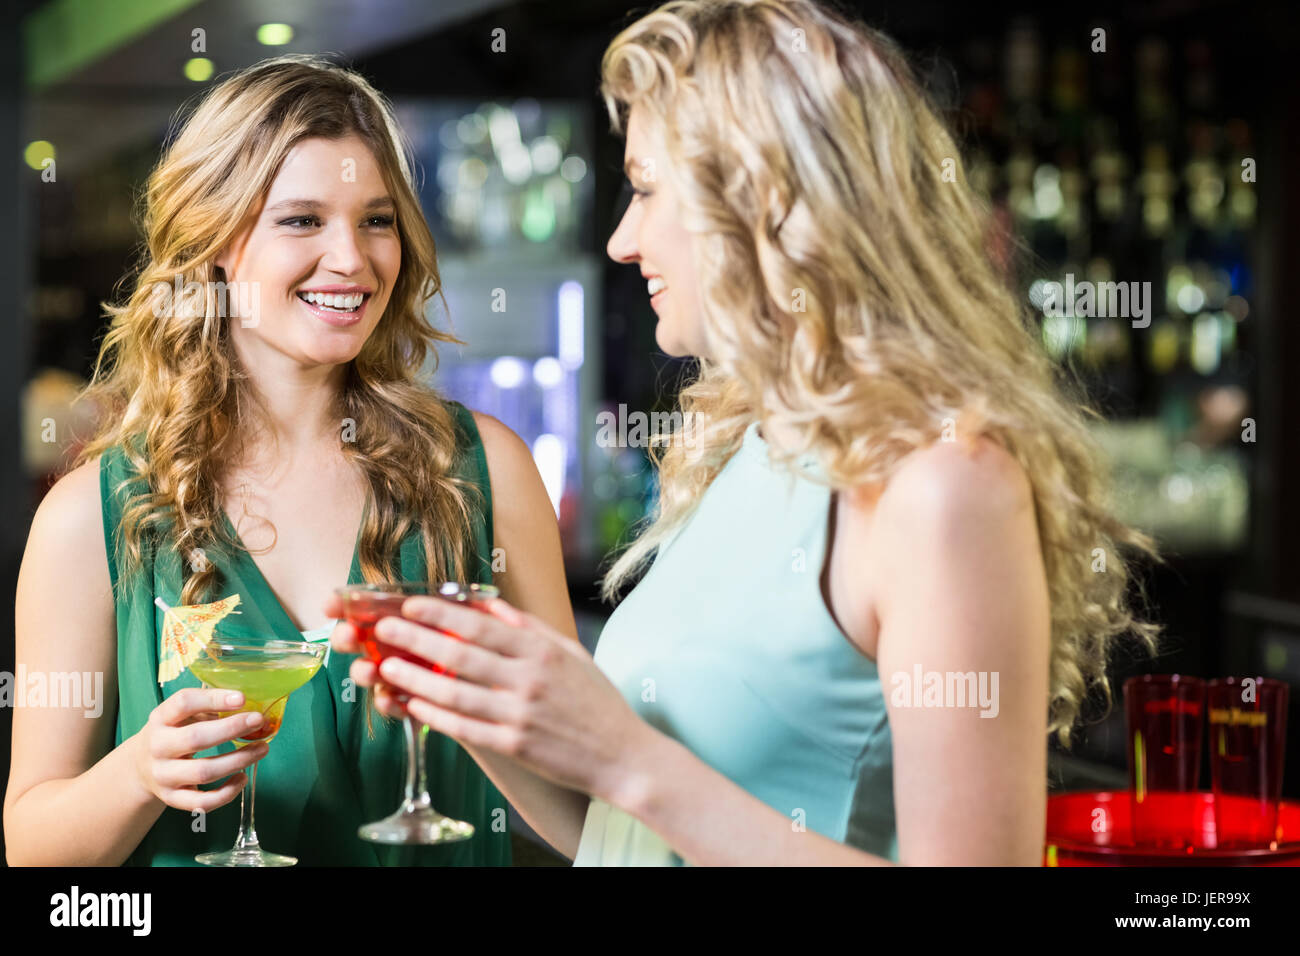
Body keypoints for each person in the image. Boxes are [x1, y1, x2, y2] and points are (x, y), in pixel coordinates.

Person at [330, 0, 1166, 866]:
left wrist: (624, 757)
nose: (621, 239)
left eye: (648, 190)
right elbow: (624, 833)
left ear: (767, 199)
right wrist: (476, 704)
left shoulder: (943, 485)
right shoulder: (748, 448)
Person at [4, 55, 575, 866]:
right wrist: (139, 772)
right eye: (302, 221)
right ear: (215, 244)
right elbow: (30, 846)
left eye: (376, 220)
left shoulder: (483, 472)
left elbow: (589, 802)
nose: (351, 258)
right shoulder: (92, 516)